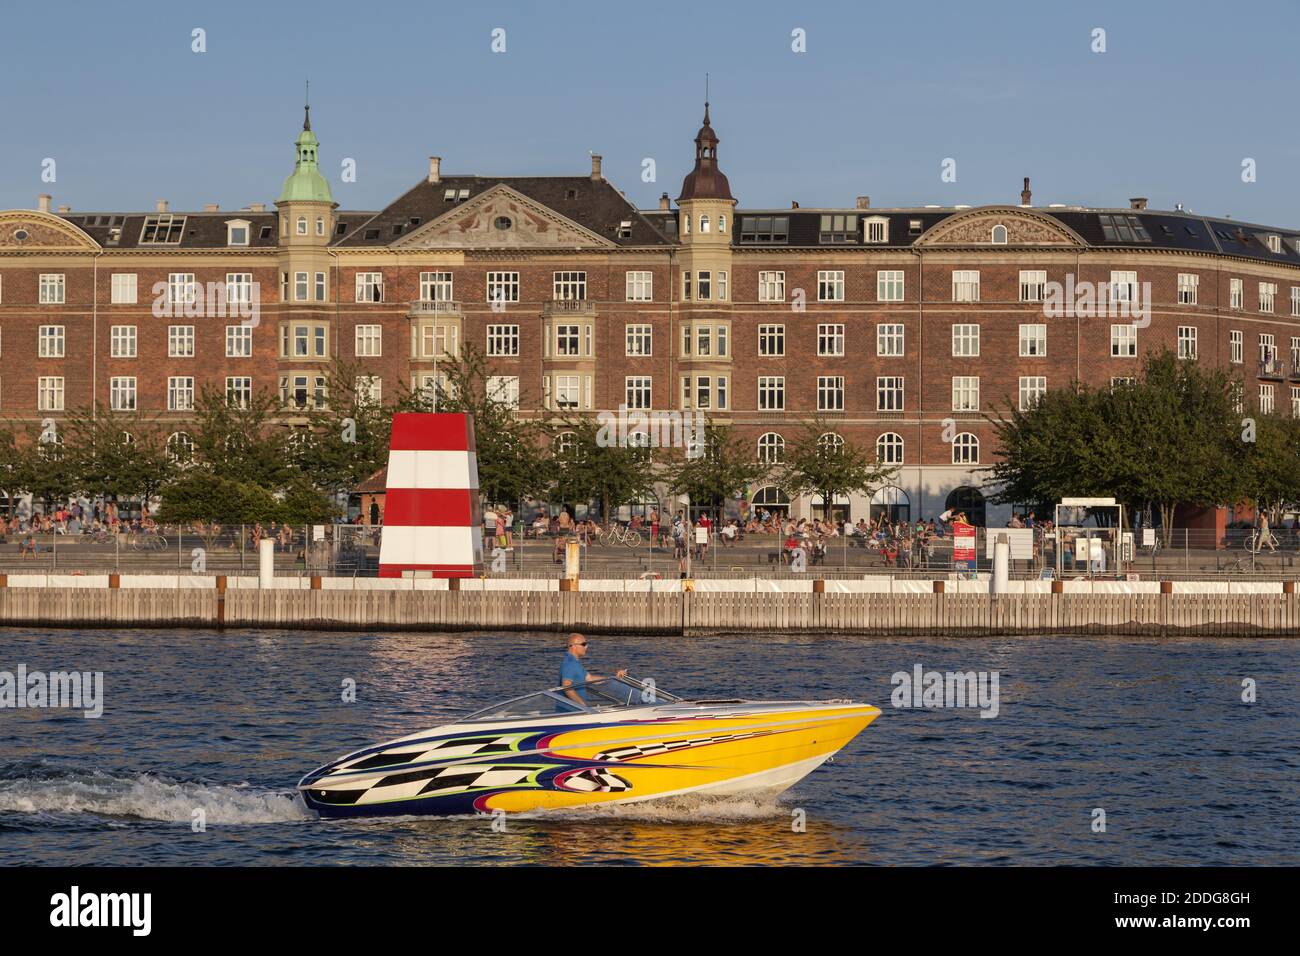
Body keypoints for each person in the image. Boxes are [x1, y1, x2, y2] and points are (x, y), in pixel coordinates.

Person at [559, 633, 626, 709]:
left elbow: (590, 678)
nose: (587, 646)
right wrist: (583, 706)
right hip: (570, 713)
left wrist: (613, 678)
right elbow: (566, 686)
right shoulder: (570, 662)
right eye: (584, 644)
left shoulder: (575, 662)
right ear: (573, 646)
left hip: (578, 711)